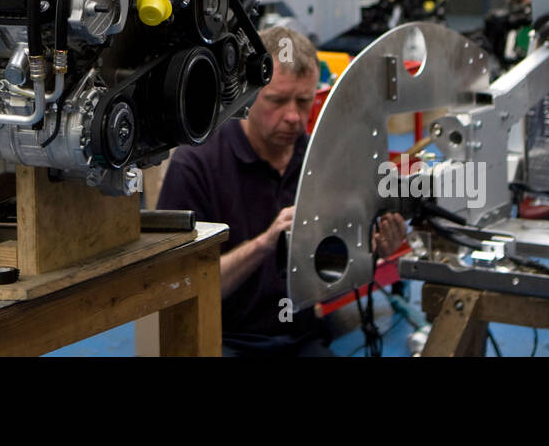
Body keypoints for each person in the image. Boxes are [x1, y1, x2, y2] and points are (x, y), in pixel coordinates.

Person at [157, 25, 408, 356]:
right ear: (246, 94)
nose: (293, 117)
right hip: (223, 339)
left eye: (304, 102)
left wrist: (372, 250)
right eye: (276, 100)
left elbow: (334, 274)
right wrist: (264, 244)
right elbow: (178, 284)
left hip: (303, 336)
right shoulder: (196, 165)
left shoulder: (323, 160)